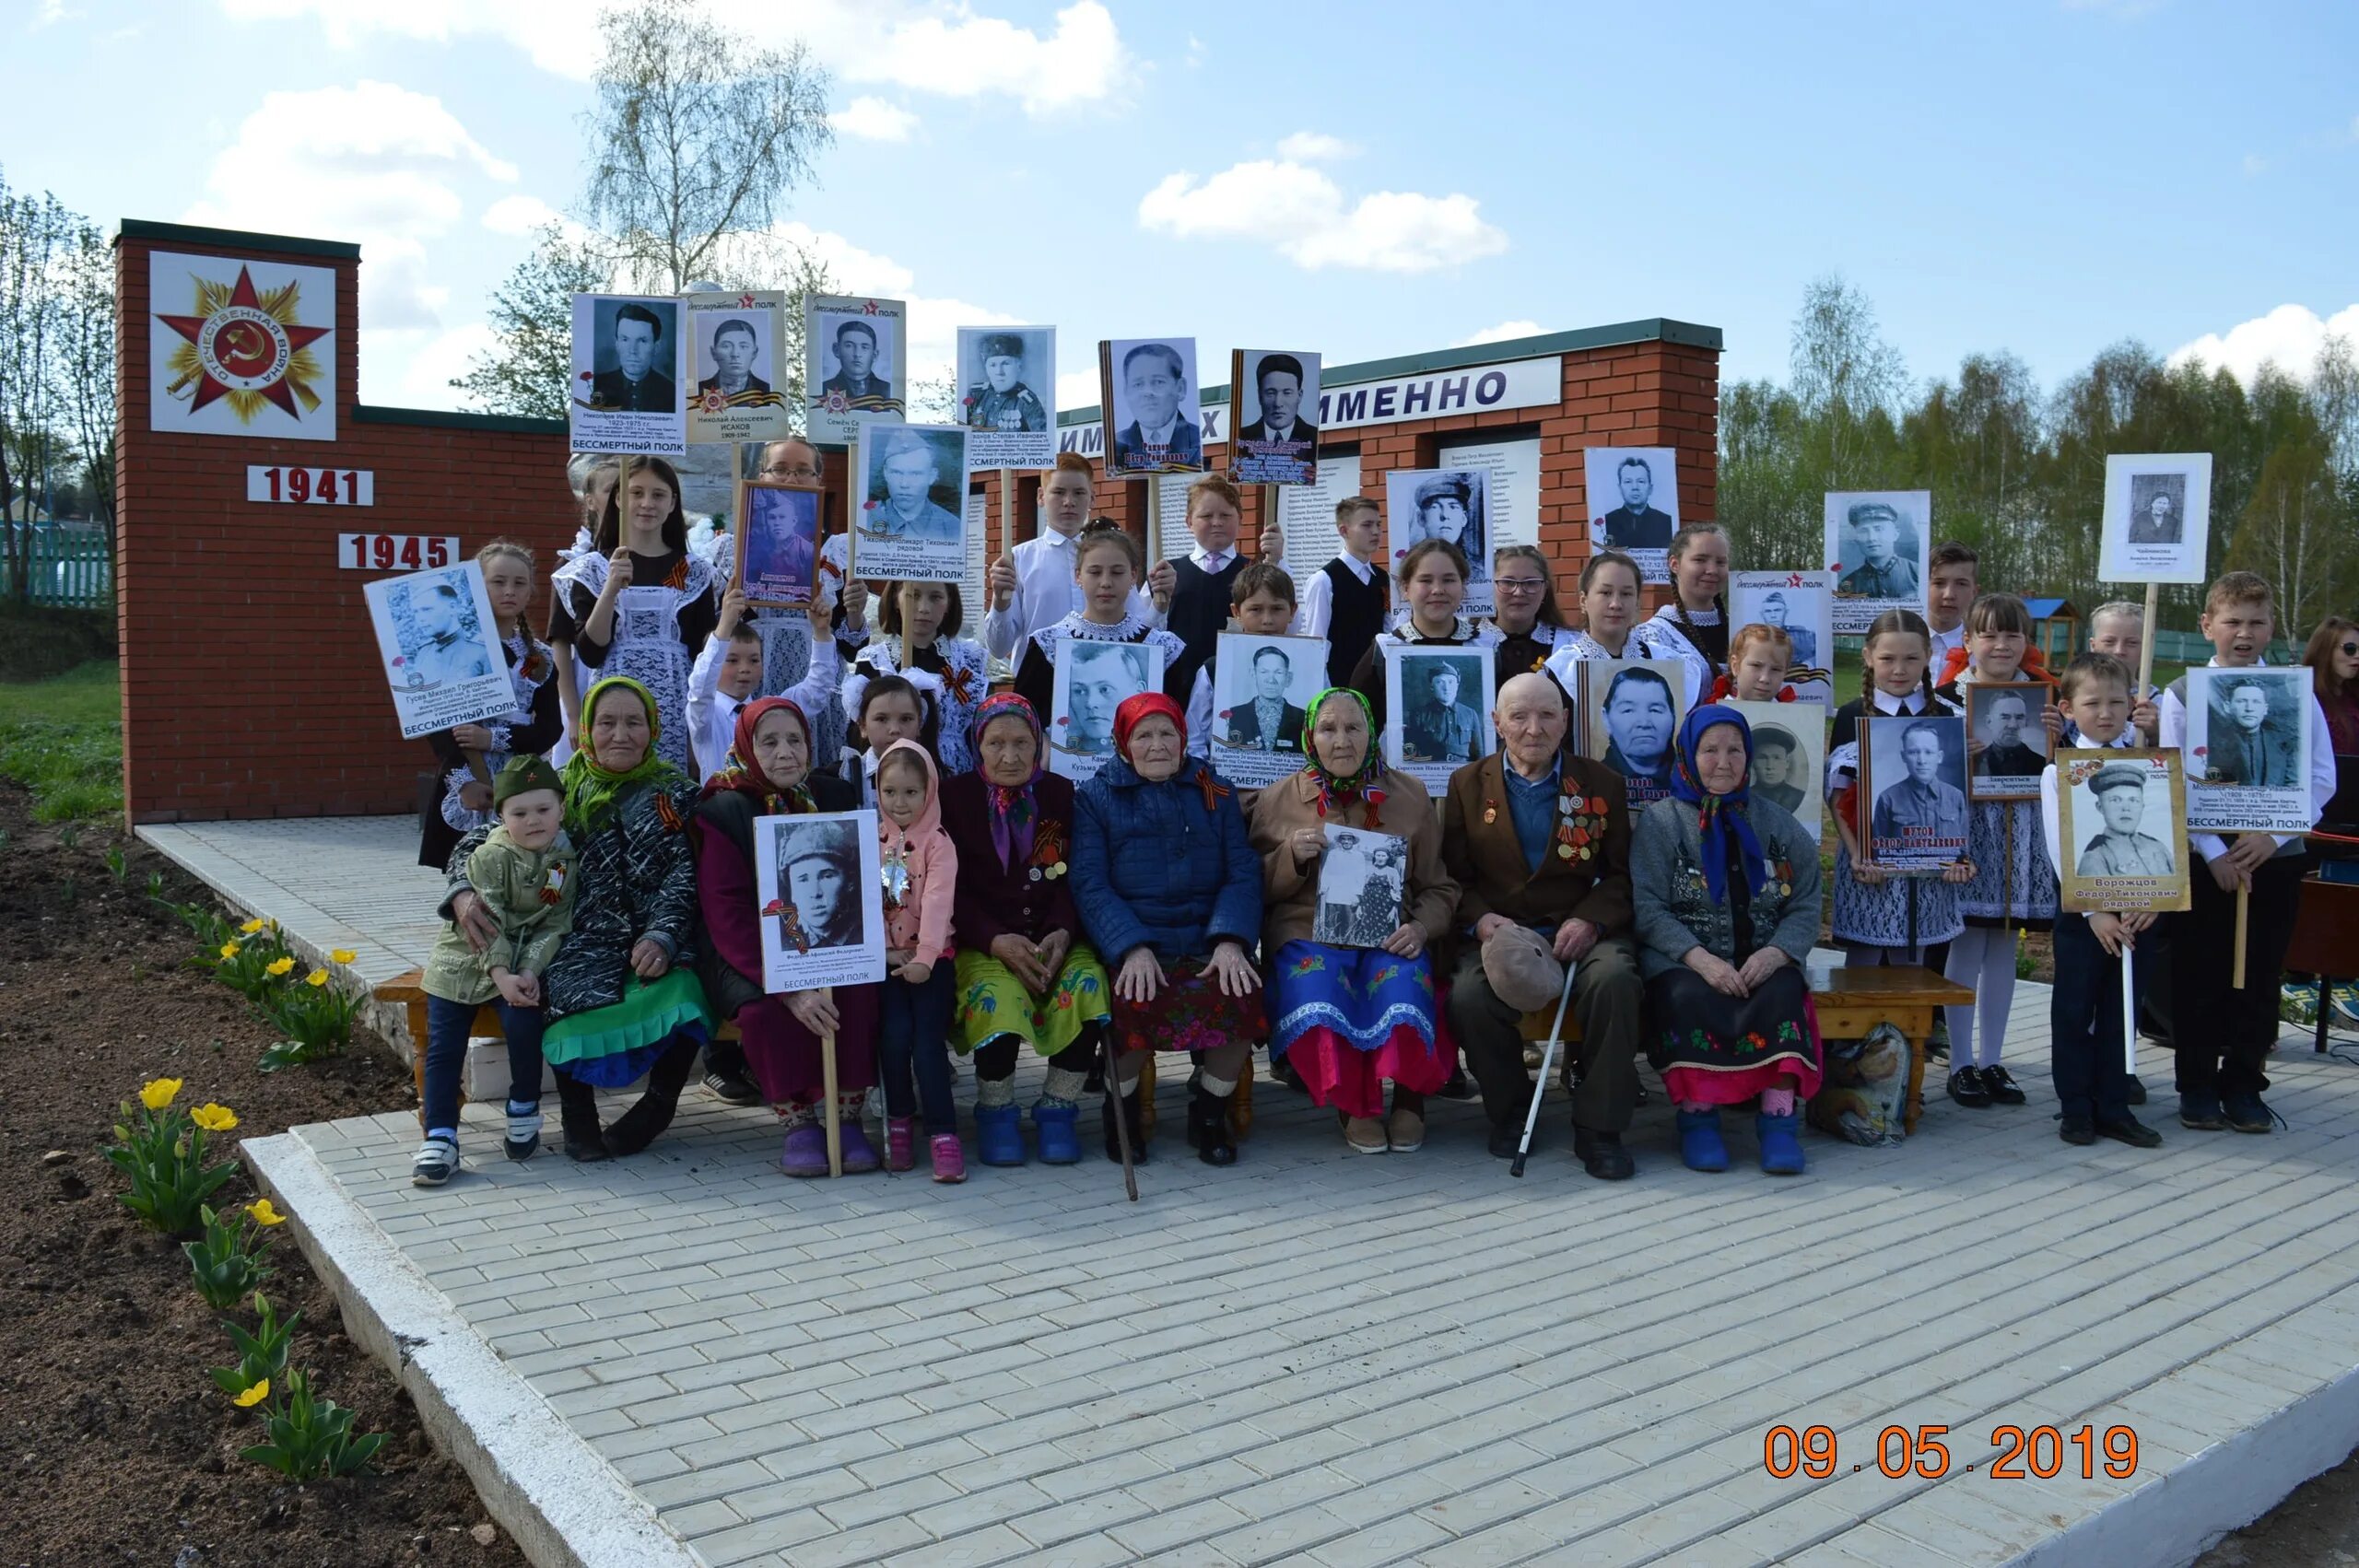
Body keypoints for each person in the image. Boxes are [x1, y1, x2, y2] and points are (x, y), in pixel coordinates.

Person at [443, 677, 710, 1162]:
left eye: (634, 722)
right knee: (561, 991)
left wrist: (664, 934)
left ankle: (658, 1105)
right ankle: (577, 1115)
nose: (621, 734)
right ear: (585, 729)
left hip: (660, 936)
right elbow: (481, 839)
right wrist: (462, 891)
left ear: (652, 728)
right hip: (582, 934)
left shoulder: (678, 795)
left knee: (684, 989)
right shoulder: (559, 789)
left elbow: (686, 876)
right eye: (606, 723)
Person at [1443, 673, 1646, 1180]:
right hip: (1501, 933)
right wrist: (1481, 920)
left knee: (1616, 982)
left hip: (1578, 928)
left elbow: (1621, 877)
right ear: (1497, 723)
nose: (1534, 729)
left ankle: (1600, 1128)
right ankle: (1512, 1112)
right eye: (1519, 716)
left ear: (1565, 721)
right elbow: (1453, 878)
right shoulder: (1467, 785)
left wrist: (1591, 921)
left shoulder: (1603, 784)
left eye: (1547, 715)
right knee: (1468, 995)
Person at [2157, 572, 2336, 1134]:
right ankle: (2197, 1086)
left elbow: (2319, 777)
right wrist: (2213, 852)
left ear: (2271, 627)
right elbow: (2172, 779)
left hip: (2274, 860)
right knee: (2201, 972)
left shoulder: (2294, 692)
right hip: (2208, 860)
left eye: (2257, 622)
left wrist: (2272, 836)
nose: (2244, 633)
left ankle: (2245, 1083)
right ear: (2207, 624)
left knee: (2259, 973)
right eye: (2232, 621)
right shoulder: (2182, 694)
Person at [1250, 687, 1458, 1153]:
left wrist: (1421, 927)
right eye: (1328, 729)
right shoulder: (1277, 800)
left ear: (1371, 733)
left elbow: (1439, 887)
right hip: (1309, 933)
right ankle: (1356, 1105)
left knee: (1402, 983)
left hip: (1391, 933)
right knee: (1317, 988)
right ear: (1310, 737)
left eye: (1353, 727)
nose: (1341, 740)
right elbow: (1251, 888)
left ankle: (1409, 1099)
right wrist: (1290, 857)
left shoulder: (1409, 795)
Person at [690, 696, 884, 1176]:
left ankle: (847, 1116)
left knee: (859, 990)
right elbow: (726, 912)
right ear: (746, 747)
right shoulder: (723, 808)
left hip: (828, 942)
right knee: (761, 1011)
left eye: (794, 739)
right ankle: (798, 1123)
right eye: (769, 741)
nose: (784, 753)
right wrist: (789, 984)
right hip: (748, 954)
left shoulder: (833, 796)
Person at [1071, 693, 1264, 1165]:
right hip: (1140, 939)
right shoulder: (1096, 797)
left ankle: (1209, 1111)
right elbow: (1089, 883)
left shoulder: (1211, 788)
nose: (1157, 746)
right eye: (1143, 735)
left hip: (1205, 937)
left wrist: (1230, 939)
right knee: (1134, 1001)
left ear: (1183, 738)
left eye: (1167, 734)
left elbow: (1242, 869)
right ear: (1123, 743)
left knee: (1242, 992)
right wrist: (1131, 948)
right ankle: (1125, 1111)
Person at [1631, 707, 1825, 1175]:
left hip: (1761, 957)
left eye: (1734, 750)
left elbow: (1806, 900)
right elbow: (1648, 907)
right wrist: (1701, 961)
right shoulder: (1661, 823)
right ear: (1688, 755)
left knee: (1782, 991)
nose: (1723, 762)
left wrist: (1776, 952)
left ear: (1749, 756)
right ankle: (1699, 1121)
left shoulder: (1777, 822)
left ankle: (1778, 1124)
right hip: (1687, 962)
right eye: (1710, 750)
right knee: (1685, 996)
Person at [941, 696, 1111, 1166]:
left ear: (1039, 742)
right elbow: (945, 887)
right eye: (996, 744)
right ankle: (996, 1113)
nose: (1010, 756)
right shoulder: (954, 798)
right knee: (998, 999)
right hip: (985, 940)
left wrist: (1061, 929)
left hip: (1051, 934)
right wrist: (994, 939)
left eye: (1022, 743)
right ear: (978, 745)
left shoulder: (1057, 793)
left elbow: (1072, 872)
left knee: (1088, 985)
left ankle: (1058, 1108)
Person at [412, 756, 576, 1186]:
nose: (533, 821)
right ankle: (441, 1136)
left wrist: (528, 970)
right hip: (463, 963)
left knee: (525, 1025)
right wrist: (502, 974)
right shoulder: (489, 857)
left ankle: (523, 1104)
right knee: (444, 1048)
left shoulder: (562, 860)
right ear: (500, 817)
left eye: (544, 809)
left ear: (561, 809)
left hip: (516, 967)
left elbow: (553, 921)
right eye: (519, 813)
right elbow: (489, 920)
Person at [1934, 593, 2060, 1110]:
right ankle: (1960, 1059)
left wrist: (2061, 736)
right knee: (1966, 944)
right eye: (1988, 634)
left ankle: (1993, 1058)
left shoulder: (2044, 699)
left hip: (2021, 829)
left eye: (2012, 635)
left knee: (2005, 945)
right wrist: (1954, 753)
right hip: (1967, 830)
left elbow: (2061, 771)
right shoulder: (1946, 698)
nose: (2001, 644)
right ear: (1968, 642)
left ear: (2026, 643)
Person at [2040, 654, 2165, 1147]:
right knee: (2074, 1009)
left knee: (2122, 1010)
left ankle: (2114, 1104)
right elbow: (2059, 846)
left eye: (2117, 702)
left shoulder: (2149, 765)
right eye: (2093, 703)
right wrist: (2093, 911)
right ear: (2070, 708)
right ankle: (2075, 1106)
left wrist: (2155, 896)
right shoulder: (2059, 772)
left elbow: (2163, 835)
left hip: (2140, 914)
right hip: (2083, 918)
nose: (2107, 713)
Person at [547, 456, 722, 778]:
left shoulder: (694, 571)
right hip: (614, 704)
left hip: (676, 702)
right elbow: (590, 652)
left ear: (672, 504)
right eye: (636, 493)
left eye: (658, 495)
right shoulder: (592, 569)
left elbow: (703, 654)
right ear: (618, 499)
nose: (646, 503)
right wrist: (611, 589)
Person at [1827, 610, 1973, 965]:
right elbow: (1836, 795)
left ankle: (1916, 1023)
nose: (1899, 669)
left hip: (1929, 869)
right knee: (1863, 966)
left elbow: (1959, 799)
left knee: (1915, 966)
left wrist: (1959, 857)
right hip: (1870, 865)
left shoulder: (1949, 716)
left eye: (1911, 659)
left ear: (1928, 657)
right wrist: (1859, 854)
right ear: (1868, 657)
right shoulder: (1851, 715)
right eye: (1887, 659)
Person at [419, 539, 563, 872]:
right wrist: (465, 781)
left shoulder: (538, 658)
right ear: (475, 588)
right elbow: (435, 722)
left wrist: (494, 740)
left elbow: (550, 728)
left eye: (519, 583)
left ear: (530, 593)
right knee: (467, 873)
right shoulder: (449, 650)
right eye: (498, 582)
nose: (509, 590)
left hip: (519, 780)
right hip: (466, 776)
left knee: (519, 869)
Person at [869, 741, 964, 1183]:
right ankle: (899, 1124)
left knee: (927, 1047)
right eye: (890, 792)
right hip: (888, 963)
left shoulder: (939, 844)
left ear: (929, 791)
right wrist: (881, 952)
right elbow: (864, 900)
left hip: (932, 964)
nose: (900, 803)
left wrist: (925, 958)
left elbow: (938, 901)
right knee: (892, 1041)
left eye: (910, 792)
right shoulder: (871, 838)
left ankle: (944, 1135)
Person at [982, 453, 1161, 673]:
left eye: (1078, 492)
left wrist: (1160, 605)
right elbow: (999, 648)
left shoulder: (1111, 559)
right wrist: (1000, 601)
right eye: (1058, 492)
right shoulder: (1019, 560)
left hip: (1101, 682)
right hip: (1041, 683)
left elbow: (1140, 630)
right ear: (1041, 496)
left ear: (1092, 498)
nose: (1069, 502)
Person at [1011, 523, 1188, 738]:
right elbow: (1025, 718)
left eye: (1117, 572)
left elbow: (1178, 721)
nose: (1105, 583)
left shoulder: (1160, 647)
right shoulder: (1049, 645)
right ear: (1078, 576)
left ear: (1133, 576)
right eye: (1094, 572)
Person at [687, 584, 839, 786]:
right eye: (731, 660)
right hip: (725, 810)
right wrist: (724, 625)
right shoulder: (706, 716)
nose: (744, 668)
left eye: (754, 660)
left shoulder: (770, 709)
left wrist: (821, 632)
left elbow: (816, 691)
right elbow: (701, 687)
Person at [1348, 538, 1502, 733]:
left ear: (1463, 587)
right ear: (1405, 588)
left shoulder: (1486, 647)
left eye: (1448, 580)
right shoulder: (1386, 650)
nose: (1438, 590)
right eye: (1425, 580)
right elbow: (1357, 723)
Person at [841, 579, 991, 778]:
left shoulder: (969, 658)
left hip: (958, 776)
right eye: (914, 595)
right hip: (895, 777)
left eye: (935, 597)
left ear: (949, 602)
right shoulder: (875, 660)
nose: (924, 608)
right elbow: (859, 732)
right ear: (896, 599)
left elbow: (979, 728)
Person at [1158, 474, 1251, 703]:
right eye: (1206, 516)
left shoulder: (1255, 572)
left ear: (1240, 518)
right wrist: (1157, 606)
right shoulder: (1165, 573)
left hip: (1237, 686)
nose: (1217, 522)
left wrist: (1278, 563)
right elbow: (1145, 629)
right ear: (1189, 521)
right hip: (1176, 688)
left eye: (1225, 515)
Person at [1297, 497, 1390, 688]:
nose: (1375, 532)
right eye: (1366, 525)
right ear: (1344, 530)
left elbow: (1389, 632)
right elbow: (1317, 643)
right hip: (1338, 683)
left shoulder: (1384, 579)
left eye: (1378, 525)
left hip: (1377, 683)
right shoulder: (1324, 580)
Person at [1485, 543, 1573, 684]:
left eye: (1531, 583)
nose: (1518, 592)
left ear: (1545, 590)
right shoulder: (1471, 644)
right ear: (1490, 587)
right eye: (1507, 582)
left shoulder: (1569, 646)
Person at [1112, 342, 1203, 472]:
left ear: (1180, 388)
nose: (1148, 392)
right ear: (1126, 391)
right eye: (1138, 384)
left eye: (1158, 382)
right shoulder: (1115, 447)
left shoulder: (1199, 441)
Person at [860, 430, 962, 544]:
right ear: (885, 473)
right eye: (896, 473)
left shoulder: (952, 527)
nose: (904, 484)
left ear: (932, 476)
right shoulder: (866, 518)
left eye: (915, 474)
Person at [2204, 675, 2301, 787]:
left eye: (2256, 702)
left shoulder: (2285, 744)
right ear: (2227, 706)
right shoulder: (2211, 743)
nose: (2249, 708)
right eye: (2241, 701)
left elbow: (2293, 786)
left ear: (2265, 709)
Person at [1600, 664, 1678, 798]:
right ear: (1606, 719)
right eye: (1628, 710)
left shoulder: (1690, 783)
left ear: (1673, 716)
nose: (1644, 723)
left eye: (1655, 710)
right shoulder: (1593, 781)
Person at [401, 577, 494, 686]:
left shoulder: (484, 650)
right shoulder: (423, 653)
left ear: (452, 607)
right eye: (416, 612)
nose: (420, 618)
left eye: (427, 610)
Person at [1063, 640, 1149, 758]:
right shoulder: (1062, 750)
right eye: (1079, 691)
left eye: (1105, 690)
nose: (1090, 703)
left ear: (1139, 692)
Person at [1404, 474, 1487, 590]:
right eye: (1435, 507)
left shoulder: (1480, 569)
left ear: (1464, 519)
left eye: (1453, 507)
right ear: (1421, 518)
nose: (1445, 515)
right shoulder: (1407, 564)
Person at [590, 302, 675, 412]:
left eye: (642, 341)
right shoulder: (596, 386)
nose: (633, 350)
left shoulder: (671, 392)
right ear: (617, 344)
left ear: (656, 347)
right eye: (625, 340)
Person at [1225, 642, 1306, 751]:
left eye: (1278, 672)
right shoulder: (1234, 715)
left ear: (1288, 677)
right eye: (1264, 672)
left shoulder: (1303, 717)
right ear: (1254, 674)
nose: (1271, 680)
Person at [962, 332, 1046, 432]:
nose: (999, 372)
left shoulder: (1027, 402)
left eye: (1006, 364)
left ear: (1018, 366)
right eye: (993, 365)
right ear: (986, 368)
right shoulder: (975, 394)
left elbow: (1041, 440)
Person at [1837, 500, 1920, 599]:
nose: (1872, 538)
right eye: (1863, 531)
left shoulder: (1917, 572)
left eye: (1878, 529)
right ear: (1856, 538)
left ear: (1895, 534)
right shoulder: (1847, 586)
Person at [1402, 661, 1481, 764]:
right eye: (1440, 682)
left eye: (1451, 682)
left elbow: (1479, 754)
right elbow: (1411, 754)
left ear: (1457, 685)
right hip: (1431, 772)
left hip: (1464, 773)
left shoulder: (1470, 714)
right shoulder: (1419, 715)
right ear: (1432, 686)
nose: (1446, 688)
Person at [2302, 615, 2359, 755]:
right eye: (2350, 648)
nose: (2357, 655)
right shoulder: (2306, 700)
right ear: (2325, 651)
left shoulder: (2353, 696)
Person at [1236, 353, 1317, 447]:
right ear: (1259, 396)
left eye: (1287, 393)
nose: (1278, 403)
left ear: (1299, 396)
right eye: (1271, 393)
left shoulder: (1314, 438)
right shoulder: (1241, 437)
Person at [1597, 454, 1674, 550]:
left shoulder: (1665, 522)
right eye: (1628, 482)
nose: (1635, 487)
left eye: (1641, 481)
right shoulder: (1607, 522)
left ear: (1650, 488)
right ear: (1620, 488)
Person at [1925, 543, 1979, 672]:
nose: (1949, 595)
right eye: (1939, 583)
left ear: (1974, 592)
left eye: (1961, 584)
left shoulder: (1984, 652)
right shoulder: (1897, 644)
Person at [1972, 689, 2048, 780]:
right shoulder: (1974, 763)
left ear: (2026, 722)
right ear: (1989, 722)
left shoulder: (2043, 764)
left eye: (2019, 718)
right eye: (2005, 717)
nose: (2013, 725)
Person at [819, 318, 893, 408]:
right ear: (836, 350)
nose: (857, 354)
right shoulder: (823, 390)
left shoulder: (888, 391)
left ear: (874, 355)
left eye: (864, 347)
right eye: (849, 346)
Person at [1716, 623, 1795, 705]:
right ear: (1735, 666)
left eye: (1776, 669)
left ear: (1785, 672)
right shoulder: (1717, 715)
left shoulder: (1794, 716)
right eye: (1756, 665)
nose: (1765, 678)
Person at [696, 318, 770, 402]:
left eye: (743, 346)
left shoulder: (768, 394)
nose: (735, 354)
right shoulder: (697, 392)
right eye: (726, 346)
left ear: (754, 352)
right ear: (714, 353)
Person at [1750, 724, 1806, 813]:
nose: (1769, 766)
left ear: (1787, 763)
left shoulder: (1798, 797)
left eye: (1776, 758)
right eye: (1762, 758)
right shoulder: (1744, 797)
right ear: (1753, 763)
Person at [1758, 591, 1816, 667]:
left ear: (1786, 612)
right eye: (1768, 611)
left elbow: (1822, 654)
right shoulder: (1754, 638)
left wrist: (1810, 663)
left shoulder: (1805, 638)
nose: (1773, 615)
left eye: (1777, 610)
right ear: (1762, 615)